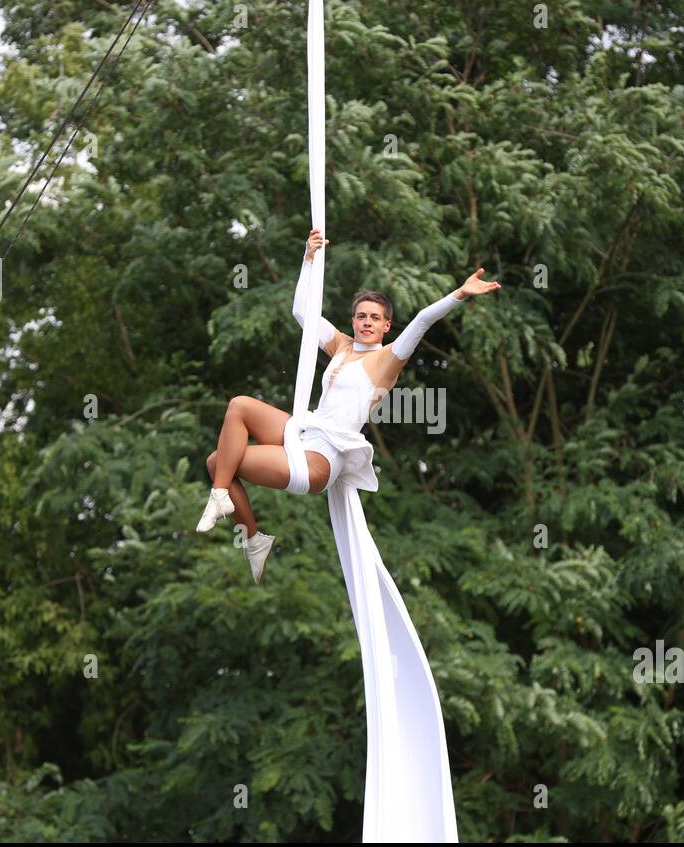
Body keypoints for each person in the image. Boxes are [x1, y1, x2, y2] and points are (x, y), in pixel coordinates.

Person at [194, 229, 501, 583]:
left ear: (386, 325)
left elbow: (421, 321)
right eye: (361, 316)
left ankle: (246, 534)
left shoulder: (388, 359)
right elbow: (301, 311)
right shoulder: (341, 345)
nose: (366, 322)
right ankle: (236, 515)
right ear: (353, 321)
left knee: (221, 462)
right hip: (305, 430)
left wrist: (459, 294)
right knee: (234, 418)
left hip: (319, 460)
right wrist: (308, 258)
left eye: (374, 318)